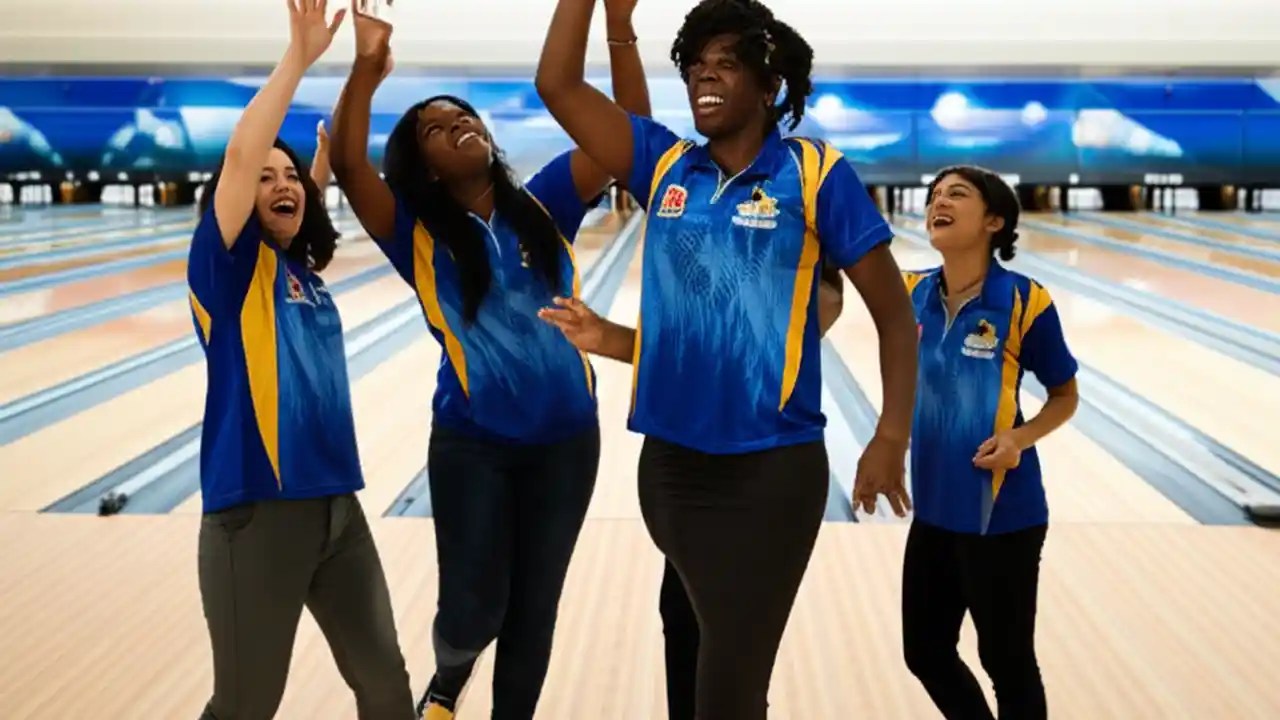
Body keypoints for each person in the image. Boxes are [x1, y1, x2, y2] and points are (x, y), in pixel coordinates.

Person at [535, 1, 920, 718]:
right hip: (672, 467)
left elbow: (895, 318)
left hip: (773, 471)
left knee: (730, 681)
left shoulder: (815, 174)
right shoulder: (664, 164)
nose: (703, 78)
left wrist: (891, 434)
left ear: (769, 85)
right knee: (695, 644)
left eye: (726, 65)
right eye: (694, 67)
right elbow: (557, 85)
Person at [327, 1, 652, 718]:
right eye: (436, 129)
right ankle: (451, 674)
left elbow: (630, 137)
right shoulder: (413, 232)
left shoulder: (546, 204)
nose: (458, 126)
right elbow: (348, 165)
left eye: (463, 116)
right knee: (473, 610)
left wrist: (618, 28)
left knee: (535, 610)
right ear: (424, 167)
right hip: (472, 442)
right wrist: (366, 67)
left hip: (567, 443)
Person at [185, 1, 414, 718]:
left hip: (337, 507)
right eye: (266, 177)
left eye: (290, 175)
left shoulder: (300, 275)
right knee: (247, 704)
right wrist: (299, 58)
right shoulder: (226, 267)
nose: (282, 184)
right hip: (257, 512)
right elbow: (241, 155)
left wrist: (362, 77)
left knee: (387, 685)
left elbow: (306, 197)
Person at [901, 165, 1080, 720]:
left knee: (1006, 660)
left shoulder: (1025, 300)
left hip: (1002, 513)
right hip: (934, 508)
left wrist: (1019, 438)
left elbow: (1065, 396)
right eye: (934, 195)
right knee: (925, 652)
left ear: (994, 221)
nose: (938, 202)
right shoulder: (909, 292)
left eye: (956, 194)